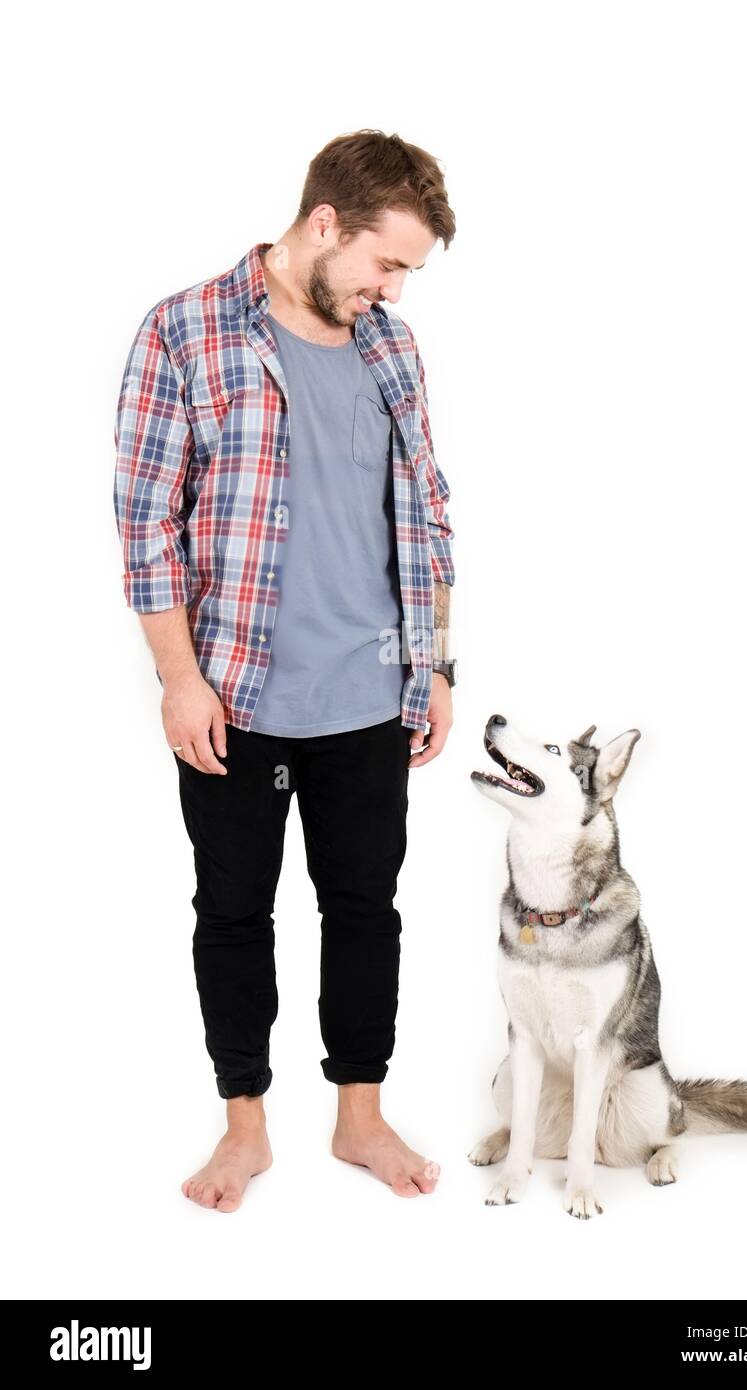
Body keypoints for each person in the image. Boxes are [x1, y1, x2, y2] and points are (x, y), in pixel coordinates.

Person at [113, 129, 457, 1212]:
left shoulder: (388, 348)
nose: (391, 287)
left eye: (403, 272)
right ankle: (245, 1129)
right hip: (238, 696)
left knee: (366, 908)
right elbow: (144, 523)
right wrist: (178, 677)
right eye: (384, 262)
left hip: (369, 698)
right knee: (234, 910)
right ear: (323, 224)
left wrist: (434, 664)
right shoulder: (185, 332)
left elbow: (428, 515)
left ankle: (358, 1117)